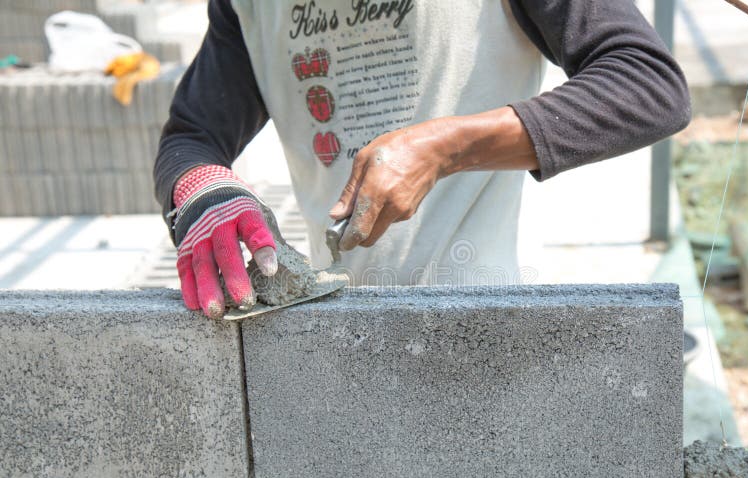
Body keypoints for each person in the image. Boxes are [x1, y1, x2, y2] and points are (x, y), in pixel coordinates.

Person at [154, 0, 691, 319]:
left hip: (497, 318)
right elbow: (193, 134)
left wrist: (447, 148)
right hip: (346, 325)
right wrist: (204, 189)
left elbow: (646, 84)